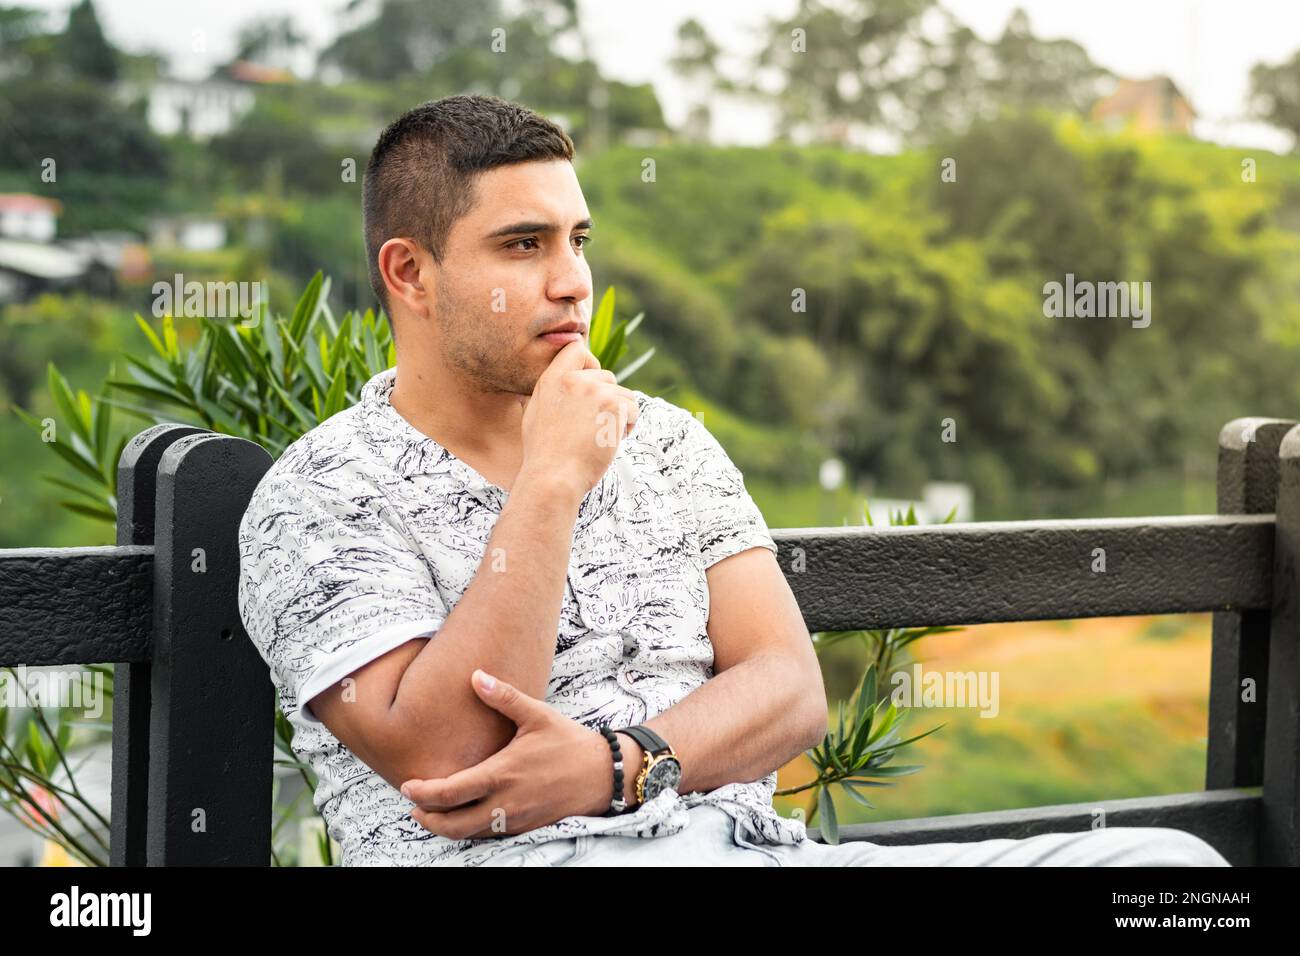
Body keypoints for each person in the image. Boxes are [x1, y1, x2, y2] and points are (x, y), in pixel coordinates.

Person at [236, 93, 1230, 868]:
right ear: (409, 273)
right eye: (522, 245)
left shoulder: (666, 442)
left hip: (755, 852)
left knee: (1169, 871)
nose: (571, 279)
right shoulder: (319, 493)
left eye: (576, 240)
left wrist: (616, 764)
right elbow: (444, 755)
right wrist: (548, 483)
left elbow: (791, 690)